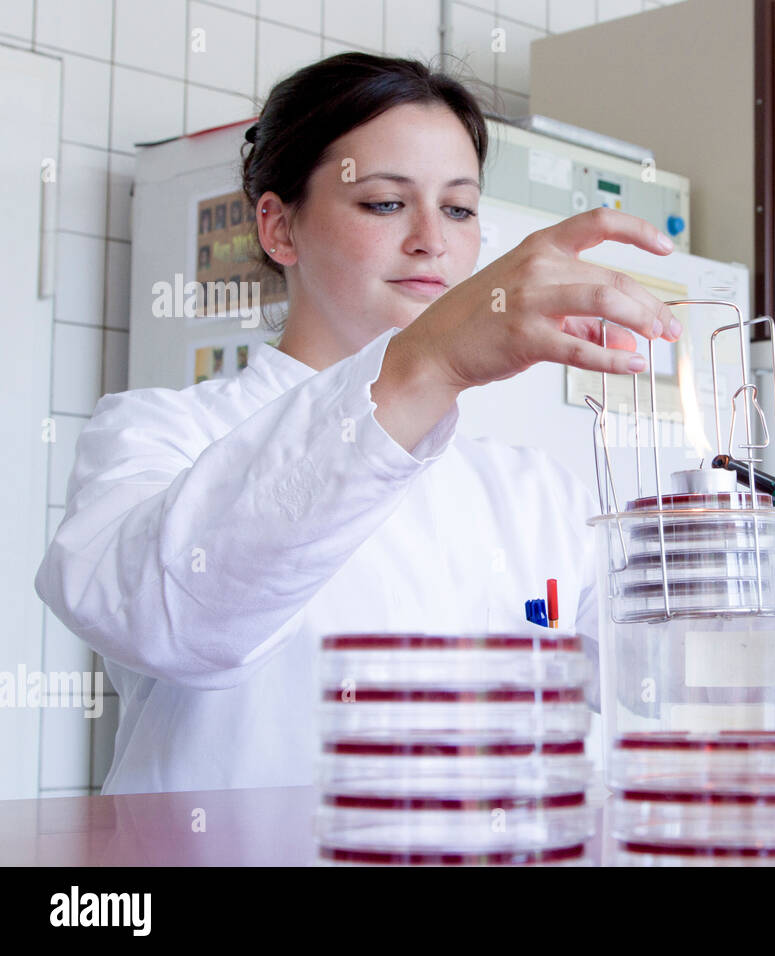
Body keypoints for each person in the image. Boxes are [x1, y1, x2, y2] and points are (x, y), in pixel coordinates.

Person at [34, 53, 681, 795]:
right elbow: (166, 617)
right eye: (384, 203)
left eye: (460, 209)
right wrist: (428, 361)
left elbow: (663, 699)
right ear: (279, 229)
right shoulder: (157, 436)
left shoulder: (534, 492)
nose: (433, 241)